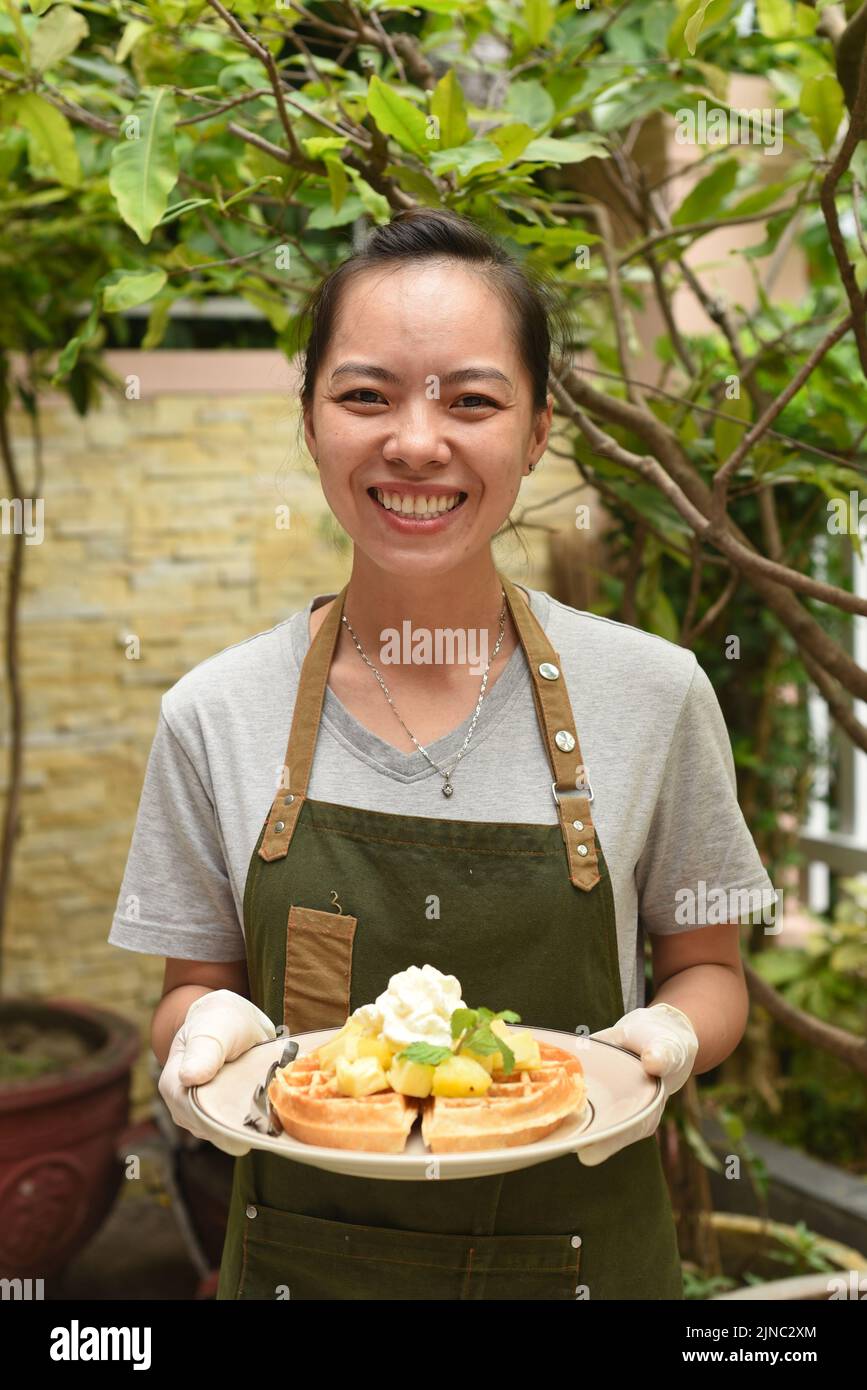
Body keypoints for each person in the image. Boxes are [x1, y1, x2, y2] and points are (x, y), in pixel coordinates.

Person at [109, 207, 775, 1300]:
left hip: (584, 1270)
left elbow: (710, 970)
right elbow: (195, 992)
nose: (417, 442)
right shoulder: (214, 712)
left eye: (471, 399)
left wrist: (665, 1035)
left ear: (540, 429)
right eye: (366, 395)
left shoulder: (654, 695)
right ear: (311, 419)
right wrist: (203, 1031)